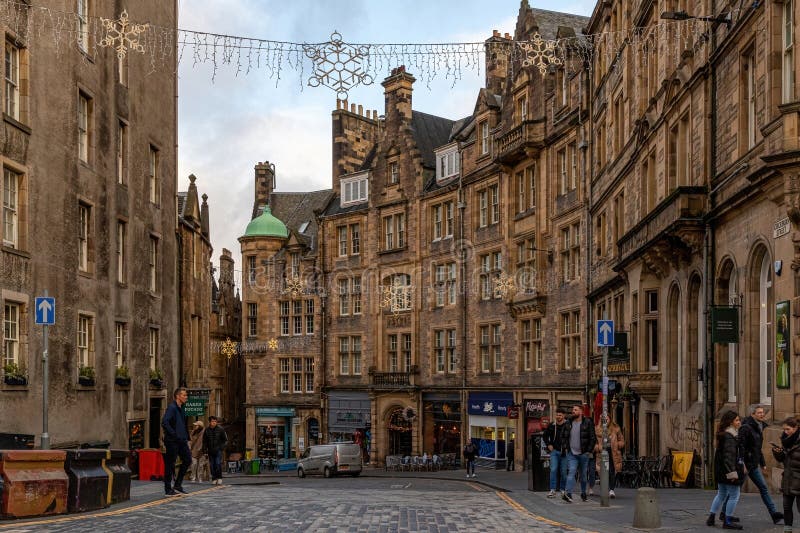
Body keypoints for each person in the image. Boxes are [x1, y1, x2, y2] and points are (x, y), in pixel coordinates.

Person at [734, 406, 782, 524]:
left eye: (763, 412)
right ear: (753, 414)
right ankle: (724, 514)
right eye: (759, 413)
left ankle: (774, 514)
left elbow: (757, 448)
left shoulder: (759, 426)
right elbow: (741, 447)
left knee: (763, 488)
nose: (762, 414)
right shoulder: (746, 427)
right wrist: (742, 464)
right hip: (745, 465)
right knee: (735, 491)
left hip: (754, 465)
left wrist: (763, 463)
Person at [707, 410, 744, 529]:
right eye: (737, 420)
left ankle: (711, 517)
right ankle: (727, 521)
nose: (739, 422)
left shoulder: (724, 434)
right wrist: (733, 474)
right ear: (730, 422)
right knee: (734, 495)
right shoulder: (730, 437)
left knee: (721, 494)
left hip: (720, 470)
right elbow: (729, 457)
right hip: (728, 471)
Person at [161, 387, 192, 496]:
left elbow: (183, 425)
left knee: (188, 460)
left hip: (182, 441)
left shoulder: (181, 408)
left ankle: (178, 485)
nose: (186, 397)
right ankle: (168, 489)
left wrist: (187, 438)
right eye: (184, 395)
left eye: (186, 395)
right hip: (172, 441)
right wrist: (174, 435)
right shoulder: (172, 408)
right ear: (178, 396)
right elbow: (165, 422)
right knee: (170, 464)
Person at [563, 405, 596, 503]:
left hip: (583, 454)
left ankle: (583, 493)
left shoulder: (588, 422)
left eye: (575, 410)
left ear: (581, 412)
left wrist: (588, 451)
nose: (573, 411)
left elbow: (592, 437)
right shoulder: (568, 422)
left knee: (583, 476)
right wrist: (566, 447)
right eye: (573, 409)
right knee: (571, 472)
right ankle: (568, 493)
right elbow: (564, 436)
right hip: (572, 453)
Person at [773, 416, 800, 533]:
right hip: (788, 479)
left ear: (796, 428)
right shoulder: (786, 441)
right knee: (786, 507)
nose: (785, 432)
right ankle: (787, 530)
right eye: (784, 429)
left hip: (799, 480)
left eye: (788, 429)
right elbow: (783, 460)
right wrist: (778, 453)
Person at [594, 420, 624, 499]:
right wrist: (598, 448)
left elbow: (621, 440)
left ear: (610, 419)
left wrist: (618, 444)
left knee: (612, 470)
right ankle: (605, 488)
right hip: (602, 453)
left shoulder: (616, 428)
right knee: (603, 471)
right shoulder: (597, 430)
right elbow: (594, 443)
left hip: (613, 453)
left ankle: (611, 490)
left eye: (606, 418)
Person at [544, 408, 569, 497]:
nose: (558, 417)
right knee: (553, 470)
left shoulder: (568, 425)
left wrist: (568, 448)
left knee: (563, 472)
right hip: (554, 451)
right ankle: (552, 490)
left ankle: (562, 490)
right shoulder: (552, 425)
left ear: (564, 416)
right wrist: (548, 444)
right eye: (557, 415)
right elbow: (545, 435)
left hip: (564, 452)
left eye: (560, 415)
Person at [203, 415, 228, 485]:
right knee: (212, 465)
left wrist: (221, 448)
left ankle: (219, 477)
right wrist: (205, 451)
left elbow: (225, 440)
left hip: (218, 450)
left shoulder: (220, 429)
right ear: (209, 422)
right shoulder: (207, 430)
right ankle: (214, 478)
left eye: (215, 421)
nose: (214, 423)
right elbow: (204, 441)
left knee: (217, 464)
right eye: (212, 421)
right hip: (210, 451)